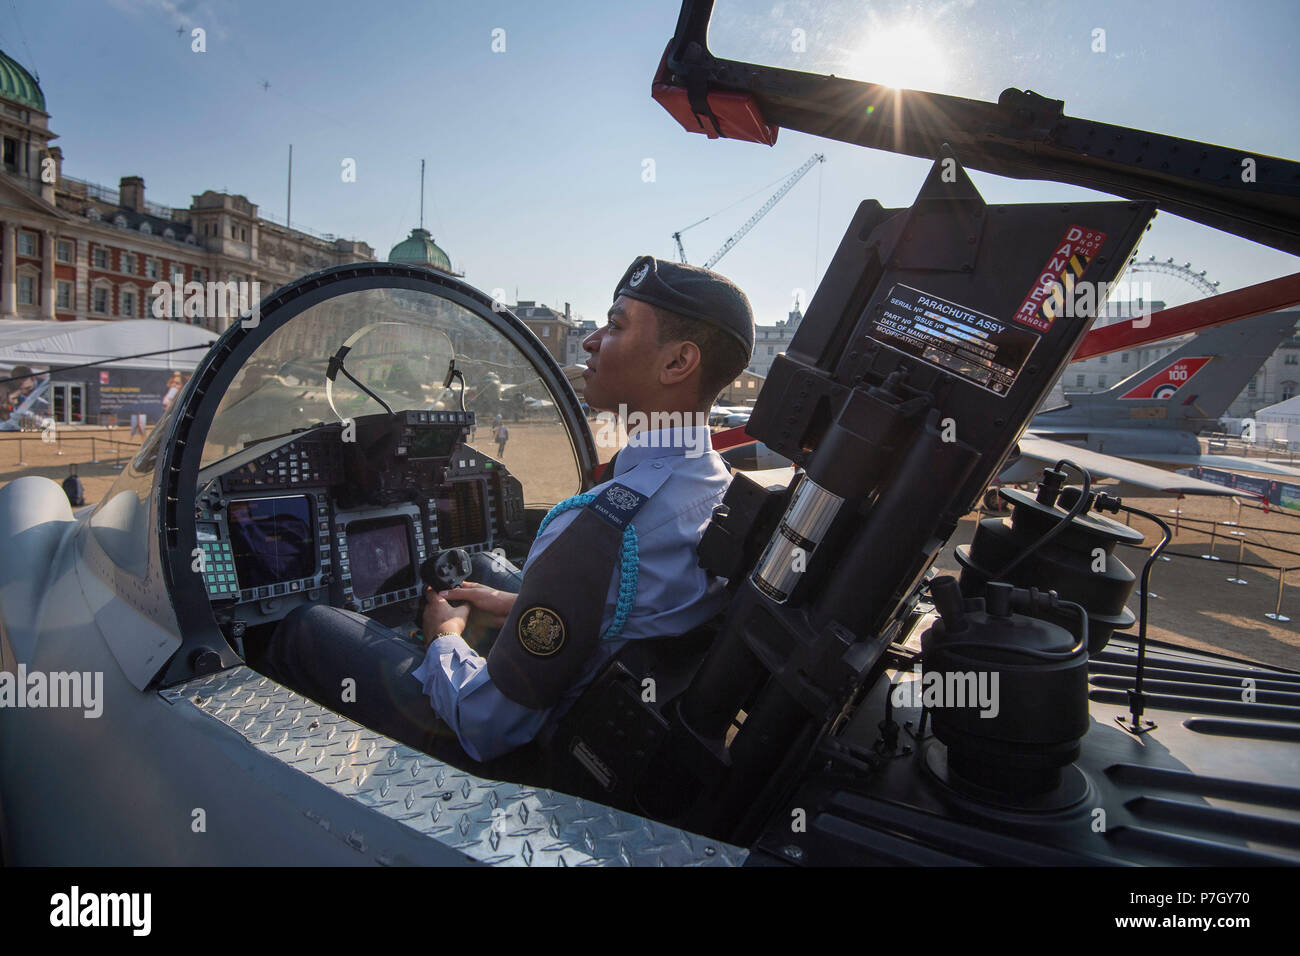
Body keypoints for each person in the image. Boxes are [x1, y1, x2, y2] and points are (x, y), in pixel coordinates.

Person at [264, 255, 754, 765]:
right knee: (478, 571)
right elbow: (622, 614)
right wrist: (517, 607)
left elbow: (490, 726)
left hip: (535, 751)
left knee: (305, 626)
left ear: (677, 363)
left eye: (614, 326)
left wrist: (444, 638)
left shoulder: (597, 528)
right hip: (629, 725)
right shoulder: (716, 486)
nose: (590, 341)